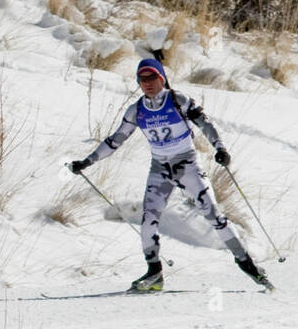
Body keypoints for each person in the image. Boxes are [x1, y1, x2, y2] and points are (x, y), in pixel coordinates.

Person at [70, 58, 273, 292]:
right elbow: (116, 140)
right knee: (149, 220)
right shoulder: (136, 110)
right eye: (142, 79)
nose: (146, 83)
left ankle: (250, 267)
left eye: (151, 78)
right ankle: (154, 274)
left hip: (187, 165)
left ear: (161, 78)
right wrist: (87, 161)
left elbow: (205, 124)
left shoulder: (178, 100)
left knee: (214, 217)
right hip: (160, 169)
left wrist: (220, 148)